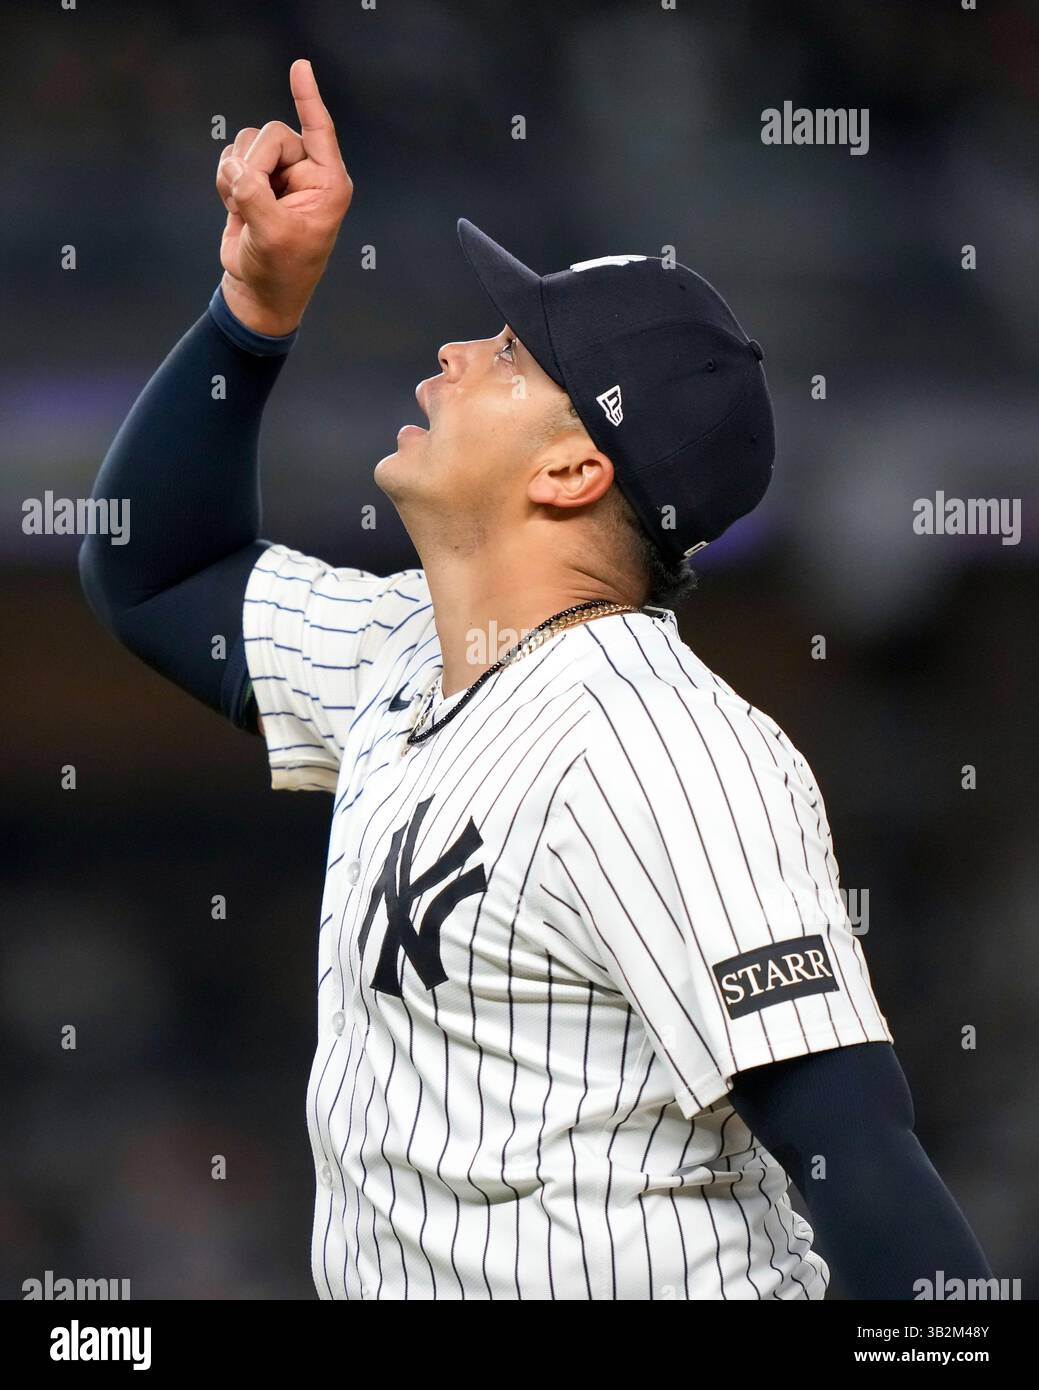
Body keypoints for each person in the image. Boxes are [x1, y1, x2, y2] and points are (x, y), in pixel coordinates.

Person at [79, 59, 993, 1300]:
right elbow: (152, 571)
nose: (454, 351)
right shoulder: (410, 654)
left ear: (571, 474)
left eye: (508, 355)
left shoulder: (661, 748)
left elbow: (867, 1169)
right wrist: (251, 312)